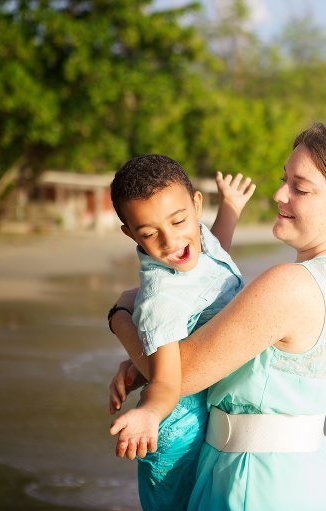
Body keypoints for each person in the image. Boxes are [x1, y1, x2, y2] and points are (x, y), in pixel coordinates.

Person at [109, 123, 326, 510]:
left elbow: (180, 375)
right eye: (285, 180)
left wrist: (121, 315)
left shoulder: (290, 284)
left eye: (300, 188)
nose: (279, 194)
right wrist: (139, 361)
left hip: (256, 480)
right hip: (301, 473)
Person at [107, 154, 255, 511]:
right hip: (176, 427)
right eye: (149, 233)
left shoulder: (198, 240)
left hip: (205, 407)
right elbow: (168, 384)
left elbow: (212, 259)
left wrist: (231, 207)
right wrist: (151, 414)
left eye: (178, 220)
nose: (171, 240)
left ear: (196, 205)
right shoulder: (161, 298)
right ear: (130, 233)